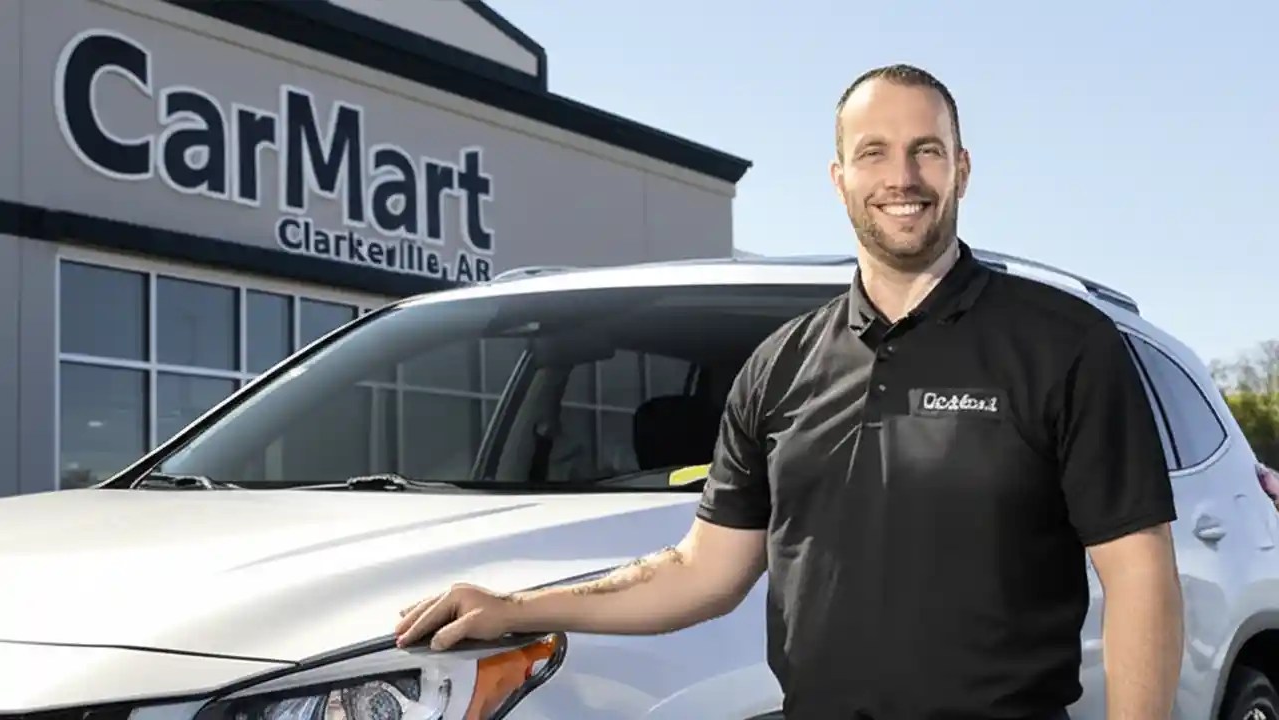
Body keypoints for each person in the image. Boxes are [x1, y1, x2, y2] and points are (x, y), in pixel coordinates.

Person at [394, 64, 1185, 719]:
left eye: (927, 151)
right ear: (840, 178)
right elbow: (703, 571)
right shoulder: (779, 368)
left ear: (962, 168)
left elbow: (1139, 573)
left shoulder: (1062, 343)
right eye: (874, 153)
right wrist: (516, 609)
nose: (901, 178)